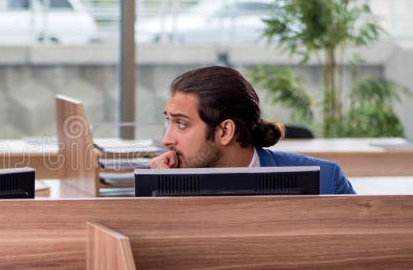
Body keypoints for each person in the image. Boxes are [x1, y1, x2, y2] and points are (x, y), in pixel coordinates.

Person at [149, 65, 355, 195]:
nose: (167, 140)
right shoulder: (164, 182)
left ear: (226, 131)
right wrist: (162, 189)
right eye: (169, 122)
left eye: (181, 124)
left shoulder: (326, 180)